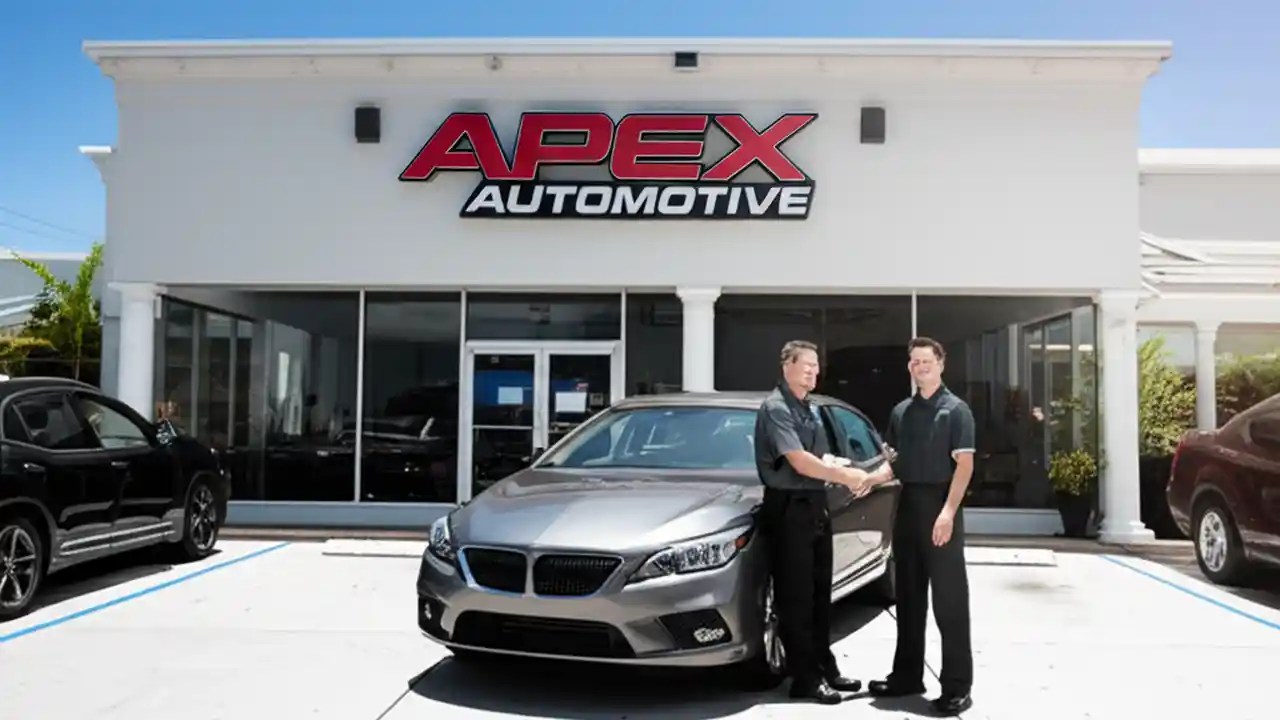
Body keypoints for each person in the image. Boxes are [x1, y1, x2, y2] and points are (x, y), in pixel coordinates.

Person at [754, 339, 893, 704]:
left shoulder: (809, 408)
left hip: (815, 504)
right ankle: (804, 679)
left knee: (819, 595)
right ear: (787, 365)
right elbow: (798, 462)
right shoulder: (776, 409)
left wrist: (835, 465)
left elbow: (816, 457)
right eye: (807, 365)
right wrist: (848, 478)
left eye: (816, 366)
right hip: (789, 508)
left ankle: (824, 667)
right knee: (796, 598)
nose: (814, 371)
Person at [869, 337, 975, 715]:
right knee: (909, 599)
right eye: (914, 362)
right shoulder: (901, 412)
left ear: (941, 364)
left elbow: (964, 466)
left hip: (941, 506)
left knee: (949, 602)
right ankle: (907, 676)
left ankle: (957, 686)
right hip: (908, 506)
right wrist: (863, 479)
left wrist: (947, 513)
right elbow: (892, 465)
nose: (919, 367)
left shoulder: (957, 411)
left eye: (926, 361)